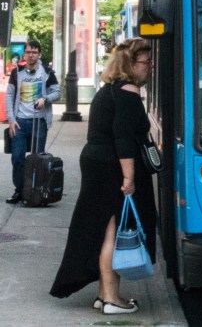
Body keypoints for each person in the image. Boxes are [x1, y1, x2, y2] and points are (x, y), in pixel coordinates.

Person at [50, 38, 156, 315]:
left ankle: (103, 294)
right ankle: (111, 298)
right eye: (147, 61)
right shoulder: (128, 91)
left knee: (105, 228)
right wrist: (129, 179)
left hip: (97, 162)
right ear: (132, 64)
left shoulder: (108, 90)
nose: (151, 66)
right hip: (112, 166)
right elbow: (122, 138)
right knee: (113, 232)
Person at [5, 40, 60, 204]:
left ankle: (36, 192)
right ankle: (20, 191)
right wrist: (11, 119)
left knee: (37, 159)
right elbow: (9, 96)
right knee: (17, 158)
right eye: (28, 52)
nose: (31, 55)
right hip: (19, 122)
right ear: (24, 55)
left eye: (34, 52)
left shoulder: (47, 73)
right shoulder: (17, 72)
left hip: (39, 121)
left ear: (39, 55)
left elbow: (57, 93)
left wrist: (45, 98)